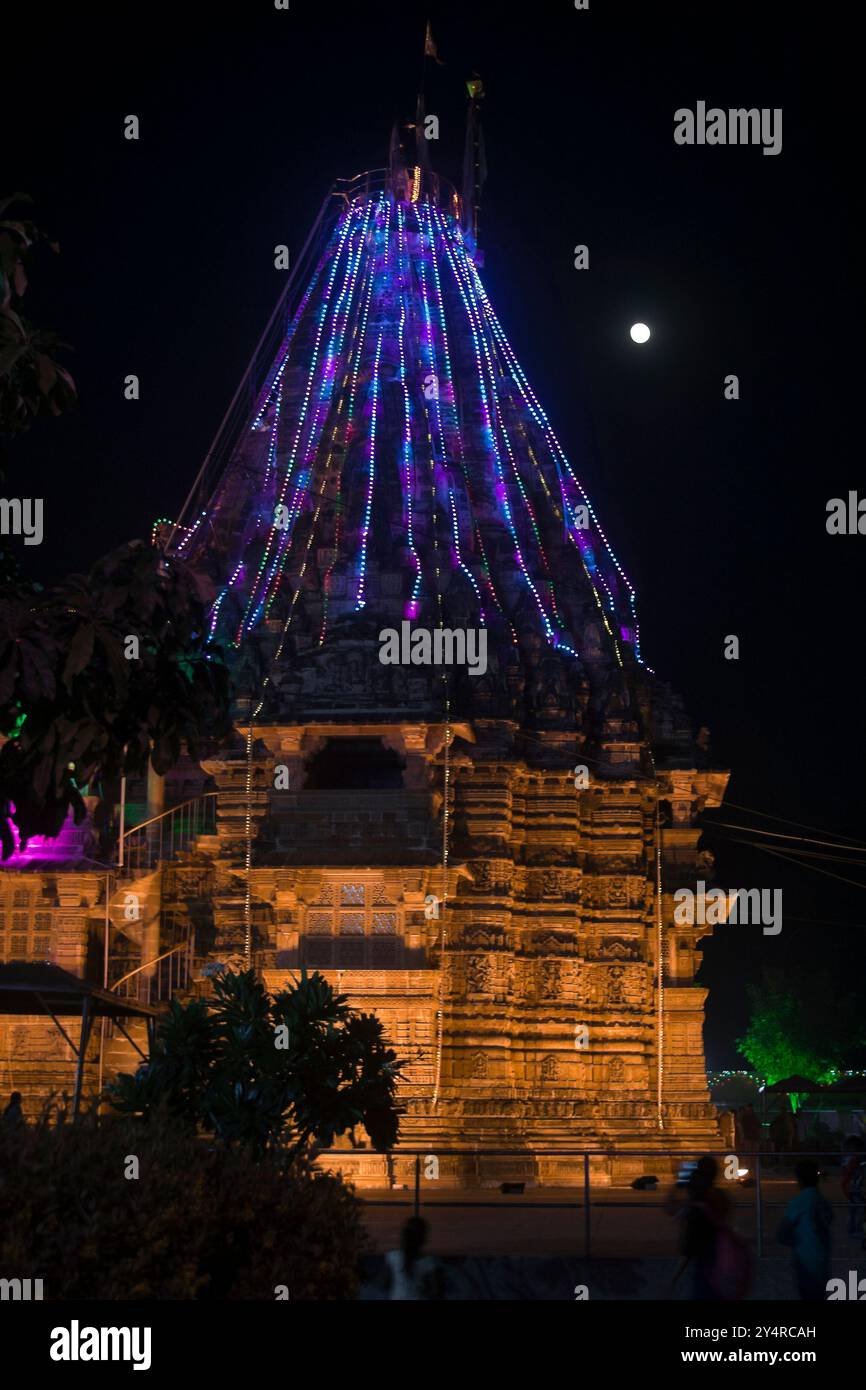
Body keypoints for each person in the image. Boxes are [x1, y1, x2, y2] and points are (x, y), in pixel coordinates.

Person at [670, 1156, 750, 1300]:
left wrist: (679, 1183)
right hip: (721, 1260)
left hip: (706, 1267)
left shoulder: (696, 1206)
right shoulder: (721, 1196)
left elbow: (671, 1210)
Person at [777, 1160, 833, 1300]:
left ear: (799, 1180)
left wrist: (795, 1240)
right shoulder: (822, 1200)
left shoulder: (798, 1202)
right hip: (822, 1262)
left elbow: (782, 1234)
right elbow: (829, 1219)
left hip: (805, 1262)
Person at [383, 1217, 443, 1300]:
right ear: (423, 1238)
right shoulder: (429, 1261)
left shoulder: (392, 1256)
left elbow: (384, 1283)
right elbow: (435, 1291)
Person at [840, 1136, 866, 1242]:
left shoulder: (851, 1160)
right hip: (855, 1189)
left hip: (854, 1189)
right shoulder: (854, 1160)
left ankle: (854, 1230)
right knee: (858, 1211)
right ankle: (855, 1230)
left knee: (855, 1210)